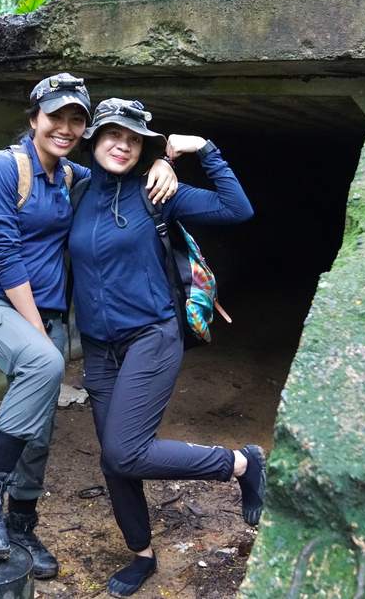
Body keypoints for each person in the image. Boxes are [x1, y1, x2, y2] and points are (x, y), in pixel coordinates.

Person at [0, 76, 178, 580]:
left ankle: (20, 524)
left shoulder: (72, 178)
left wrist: (164, 161)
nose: (66, 127)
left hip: (50, 314)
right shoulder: (2, 168)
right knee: (44, 362)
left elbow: (118, 172)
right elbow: (6, 257)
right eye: (56, 116)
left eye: (77, 119)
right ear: (34, 118)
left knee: (38, 428)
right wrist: (37, 332)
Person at [68, 98, 266, 597]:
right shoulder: (75, 187)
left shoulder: (158, 191)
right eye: (113, 135)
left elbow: (237, 209)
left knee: (125, 448)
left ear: (145, 149)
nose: (123, 145)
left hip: (152, 336)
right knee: (115, 461)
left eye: (134, 140)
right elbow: (36, 160)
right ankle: (142, 555)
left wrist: (203, 148)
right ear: (94, 139)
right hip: (98, 346)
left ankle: (241, 464)